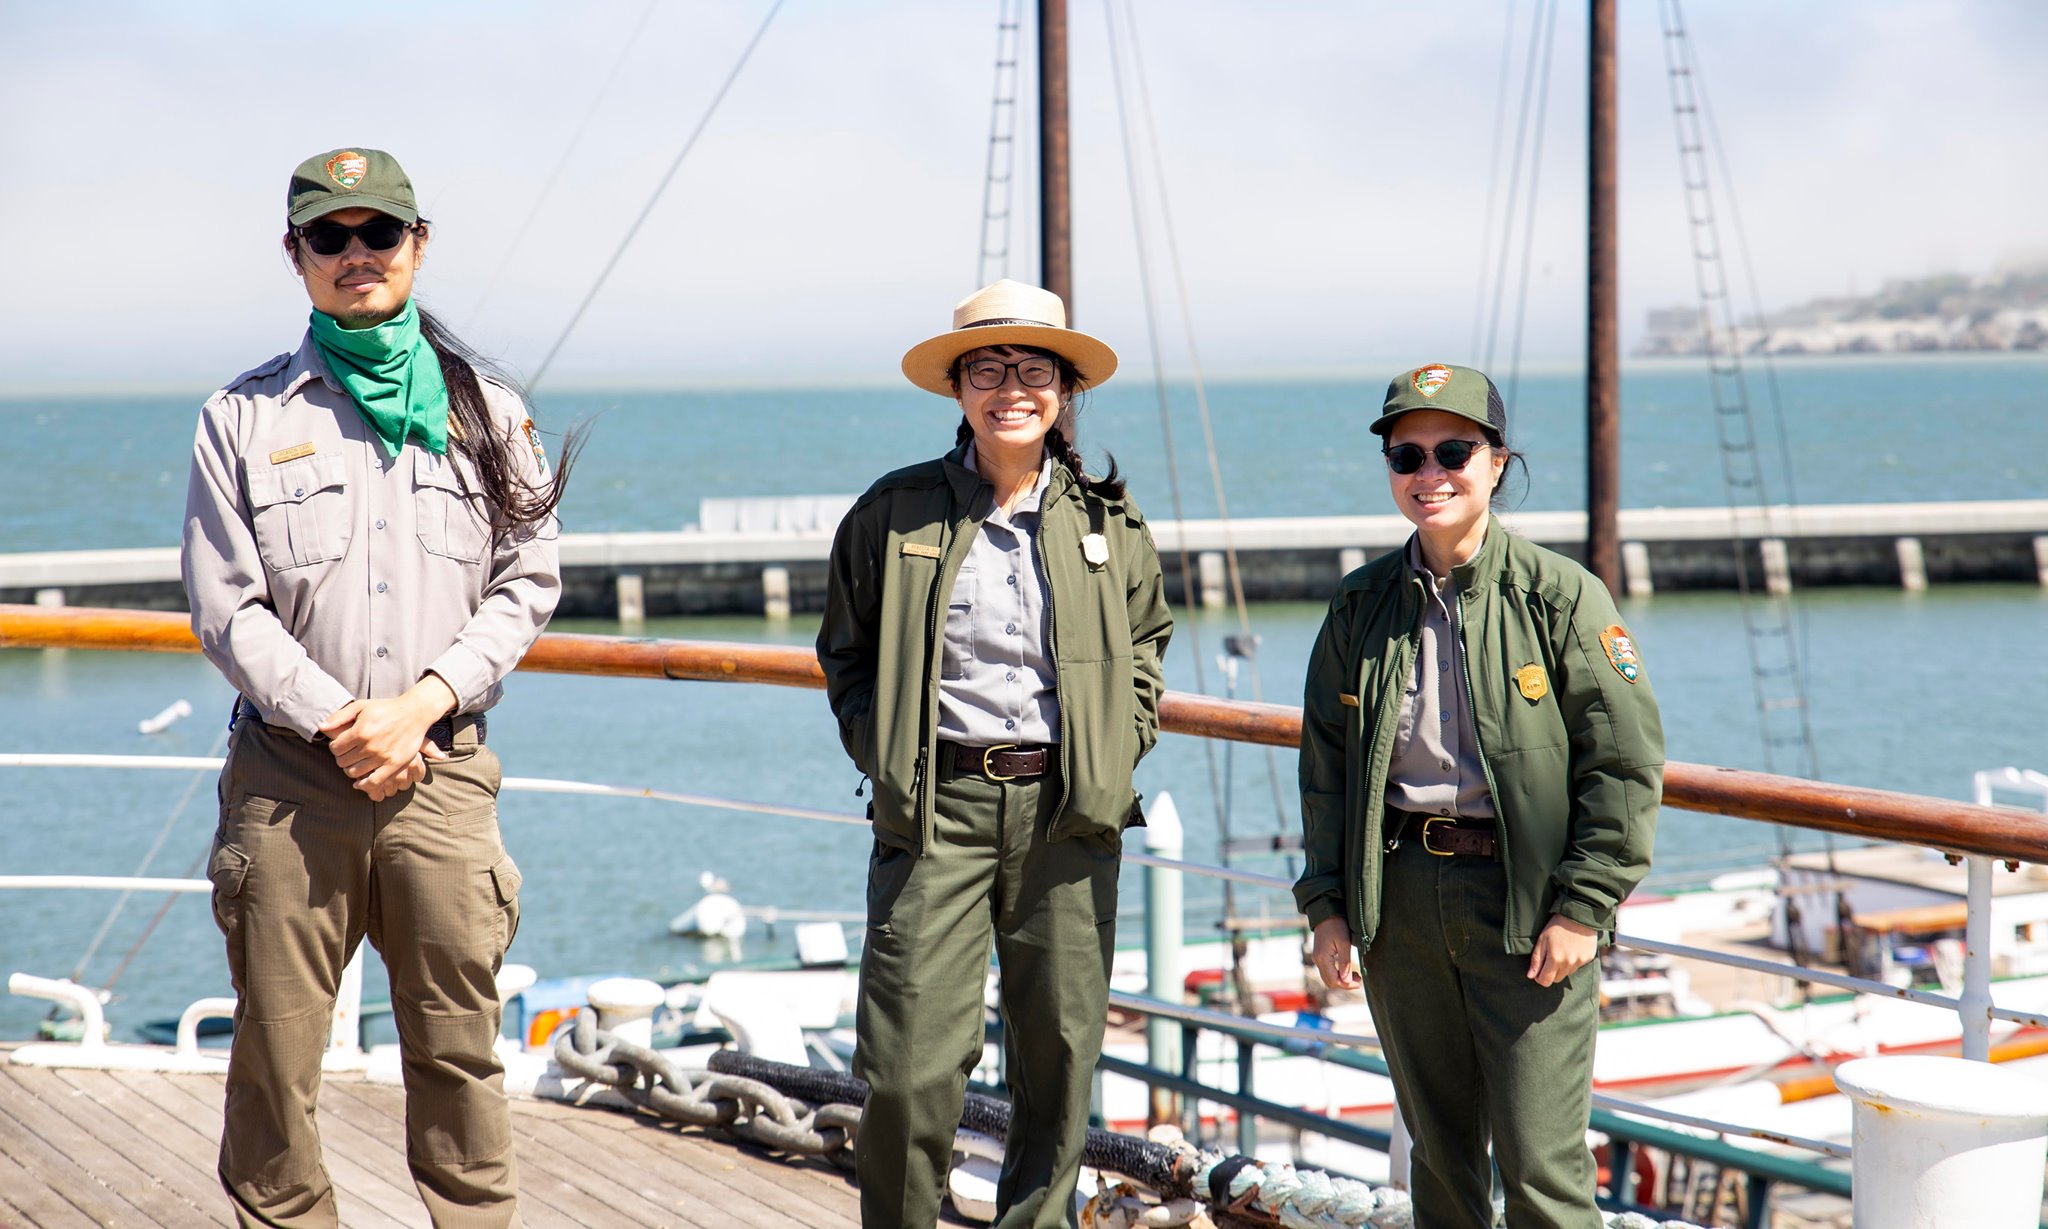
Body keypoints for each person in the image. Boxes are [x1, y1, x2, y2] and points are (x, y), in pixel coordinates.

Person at [182, 147, 574, 1228]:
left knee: (459, 1051)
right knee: (272, 1055)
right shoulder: (242, 417)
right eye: (329, 236)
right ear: (295, 255)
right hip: (289, 779)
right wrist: (344, 719)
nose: (356, 255)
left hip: (442, 770)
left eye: (378, 232)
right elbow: (226, 603)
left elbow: (528, 576)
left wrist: (422, 703)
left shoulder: (489, 409)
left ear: (418, 245)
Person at [817, 279, 1173, 1229]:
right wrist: (887, 753)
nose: (1011, 386)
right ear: (958, 386)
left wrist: (1117, 742)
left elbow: (1147, 643)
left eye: (1033, 368)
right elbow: (845, 652)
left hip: (1071, 814)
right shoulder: (894, 514)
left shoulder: (1109, 523)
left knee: (1059, 1061)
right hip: (938, 810)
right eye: (988, 366)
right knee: (903, 1069)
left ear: (1063, 390)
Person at [1293, 363, 1663, 1228]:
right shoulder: (1360, 605)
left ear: (1497, 461)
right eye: (1406, 454)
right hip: (1404, 902)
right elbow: (1327, 772)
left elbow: (1624, 763)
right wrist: (1328, 906)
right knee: (1441, 1157)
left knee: (1542, 1165)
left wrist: (1584, 905)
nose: (1430, 474)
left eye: (1454, 450)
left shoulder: (1562, 597)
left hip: (1527, 908)